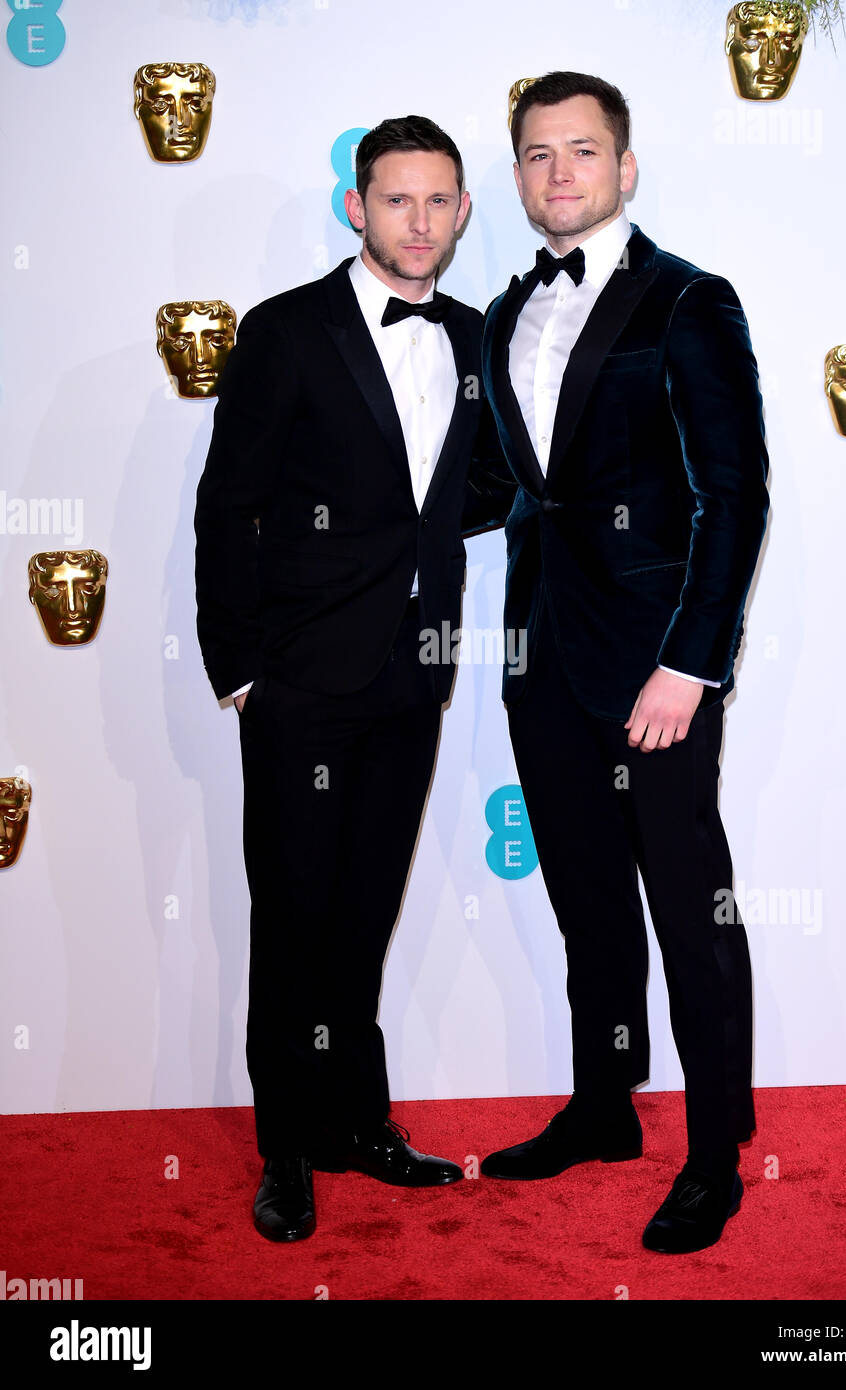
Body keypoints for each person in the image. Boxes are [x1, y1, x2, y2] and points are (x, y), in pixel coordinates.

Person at [194, 115, 512, 1243]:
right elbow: (228, 507)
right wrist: (239, 670)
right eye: (396, 201)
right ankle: (287, 1152)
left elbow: (477, 489)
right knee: (292, 921)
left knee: (363, 914)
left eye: (438, 202)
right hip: (297, 683)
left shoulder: (480, 338)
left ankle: (357, 1124)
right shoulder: (285, 332)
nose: (418, 222)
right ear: (356, 206)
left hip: (411, 675)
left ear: (461, 212)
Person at [480, 71, 769, 1254]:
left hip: (655, 671)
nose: (560, 175)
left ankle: (713, 1151)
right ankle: (605, 1108)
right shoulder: (502, 314)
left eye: (582, 152)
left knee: (689, 908)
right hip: (541, 655)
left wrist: (689, 665)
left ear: (625, 167)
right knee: (586, 901)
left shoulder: (688, 301)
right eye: (539, 156)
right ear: (517, 178)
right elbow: (514, 489)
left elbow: (733, 496)